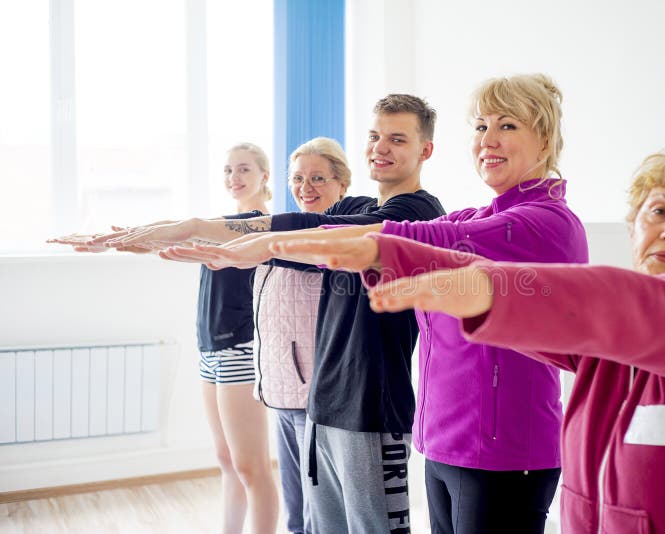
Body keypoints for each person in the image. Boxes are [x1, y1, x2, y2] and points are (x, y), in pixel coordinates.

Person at [281, 144, 665, 533]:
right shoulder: (609, 339)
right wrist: (380, 253)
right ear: (634, 226)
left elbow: (598, 298)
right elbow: (538, 309)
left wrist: (479, 285)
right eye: (659, 212)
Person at [176, 74, 587, 533]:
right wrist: (245, 234)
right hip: (445, 445)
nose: (488, 139)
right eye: (479, 126)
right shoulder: (478, 216)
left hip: (502, 452)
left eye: (507, 126)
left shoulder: (540, 222)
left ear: (546, 139)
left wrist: (266, 244)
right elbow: (347, 227)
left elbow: (403, 236)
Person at [95, 95, 447, 533]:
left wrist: (214, 236)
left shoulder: (420, 214)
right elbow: (292, 226)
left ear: (424, 150)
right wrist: (198, 231)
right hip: (325, 405)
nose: (381, 147)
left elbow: (308, 235)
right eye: (375, 136)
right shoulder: (350, 211)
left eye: (397, 139)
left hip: (373, 410)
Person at [49, 143, 280, 534]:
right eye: (227, 170)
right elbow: (172, 240)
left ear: (264, 176)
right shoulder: (221, 223)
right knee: (226, 459)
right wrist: (108, 240)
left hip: (241, 348)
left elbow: (186, 232)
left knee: (251, 465)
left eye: (243, 169)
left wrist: (120, 239)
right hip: (210, 347)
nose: (234, 178)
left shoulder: (261, 225)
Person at [253, 137, 351, 534]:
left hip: (313, 396)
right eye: (297, 178)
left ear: (341, 184)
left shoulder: (334, 240)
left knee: (317, 515)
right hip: (280, 391)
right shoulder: (287, 233)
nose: (305, 187)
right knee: (295, 513)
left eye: (317, 178)